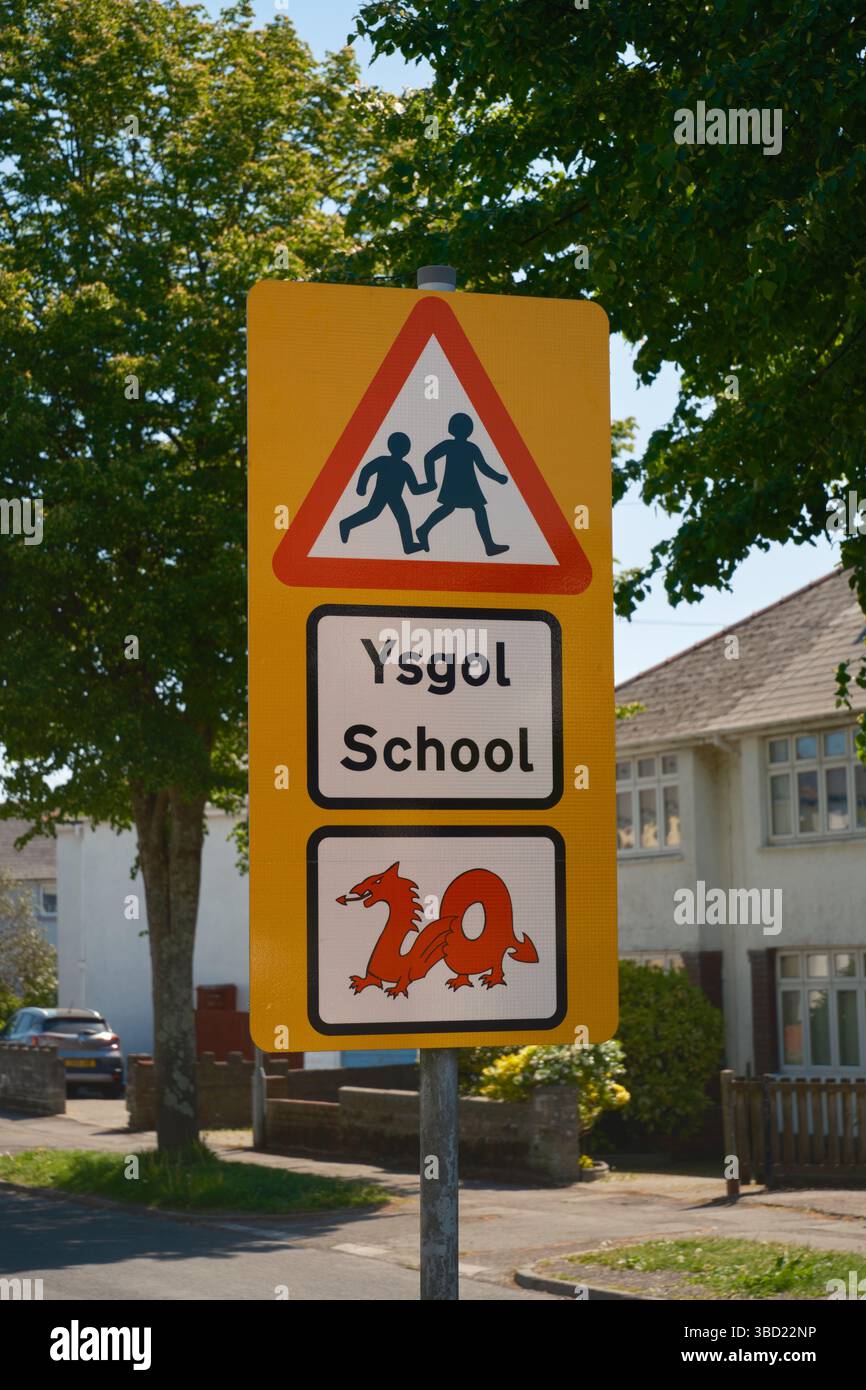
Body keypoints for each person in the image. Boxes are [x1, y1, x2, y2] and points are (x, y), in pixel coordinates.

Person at [416, 412, 509, 556]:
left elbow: (483, 467)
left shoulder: (470, 447)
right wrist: (431, 480)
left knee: (453, 508)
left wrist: (498, 477)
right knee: (470, 508)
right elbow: (429, 457)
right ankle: (489, 545)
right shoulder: (458, 446)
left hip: (467, 484)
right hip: (459, 484)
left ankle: (424, 529)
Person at [339, 431, 432, 554]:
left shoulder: (405, 467)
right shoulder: (385, 461)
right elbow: (367, 470)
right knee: (372, 513)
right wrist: (361, 487)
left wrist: (429, 487)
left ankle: (408, 545)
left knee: (402, 517)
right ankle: (346, 524)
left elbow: (414, 489)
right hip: (381, 494)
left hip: (395, 496)